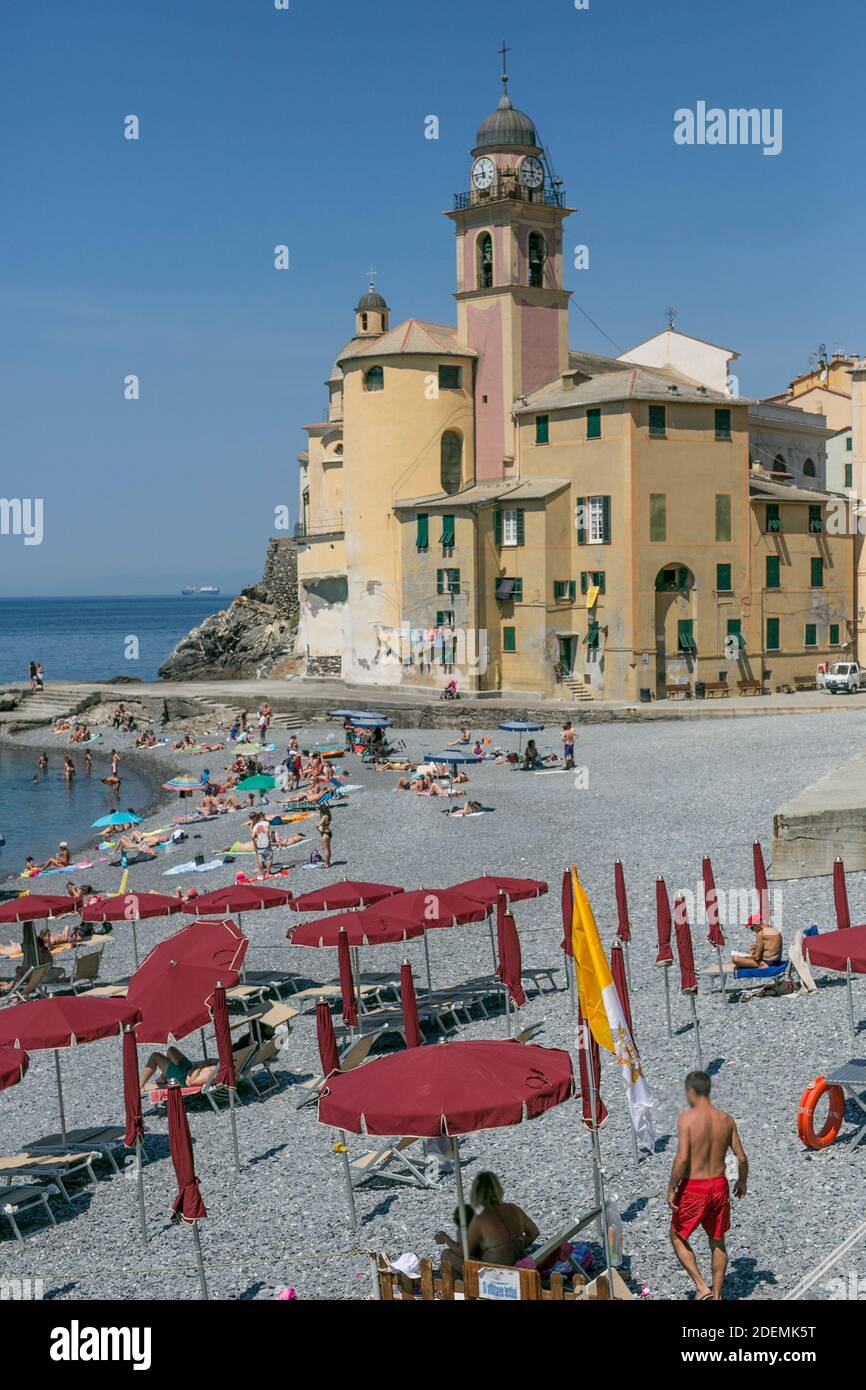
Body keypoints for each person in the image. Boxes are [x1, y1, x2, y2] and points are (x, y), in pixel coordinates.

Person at [668, 1071, 748, 1301]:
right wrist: (742, 1181)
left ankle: (702, 1286)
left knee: (677, 1235)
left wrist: (672, 1188)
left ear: (690, 1092)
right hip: (719, 1186)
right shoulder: (726, 1119)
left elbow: (682, 1160)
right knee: (717, 1240)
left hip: (694, 1187)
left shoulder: (688, 1119)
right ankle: (718, 1296)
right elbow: (741, 1158)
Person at [435, 1172, 539, 1274]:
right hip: (525, 1265)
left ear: (476, 1193)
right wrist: (516, 1244)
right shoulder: (513, 1208)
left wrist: (445, 1238)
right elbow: (534, 1233)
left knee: (447, 1255)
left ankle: (463, 1288)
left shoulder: (480, 1218)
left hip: (501, 1274)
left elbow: (462, 1252)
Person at [139, 1046, 217, 1094]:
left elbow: (191, 1082)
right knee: (171, 1050)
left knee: (155, 1056)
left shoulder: (211, 1073)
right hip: (190, 1069)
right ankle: (163, 1078)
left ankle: (140, 1087)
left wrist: (201, 1066)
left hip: (183, 1078)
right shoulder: (220, 1065)